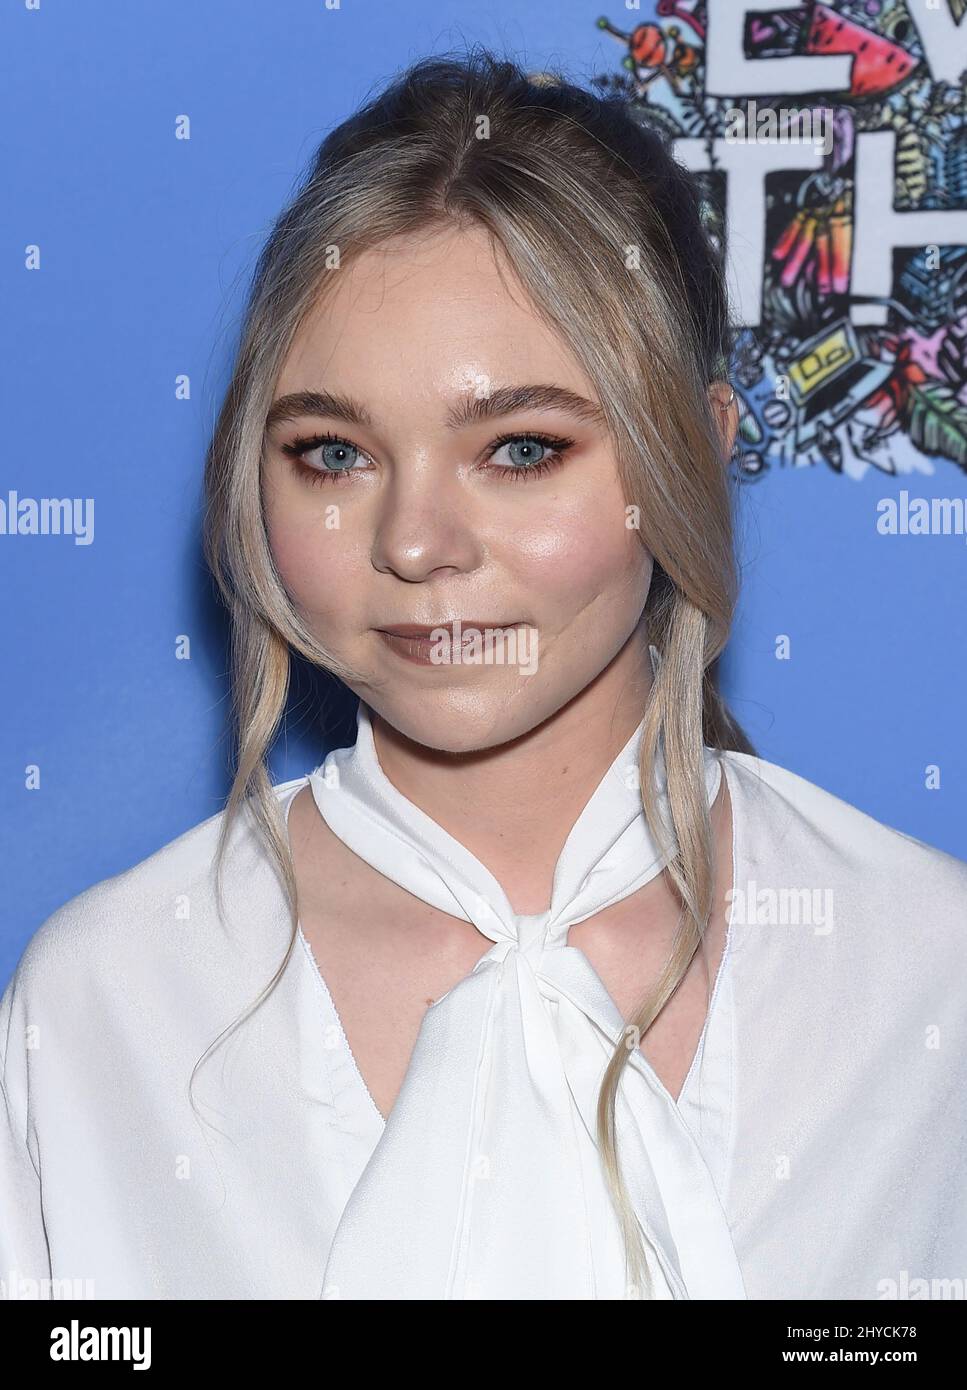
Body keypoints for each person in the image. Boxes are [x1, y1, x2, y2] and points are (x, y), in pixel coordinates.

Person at [2, 50, 965, 1303]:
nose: (413, 543)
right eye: (334, 453)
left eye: (521, 447)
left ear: (693, 459)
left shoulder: (921, 974)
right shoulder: (105, 1003)